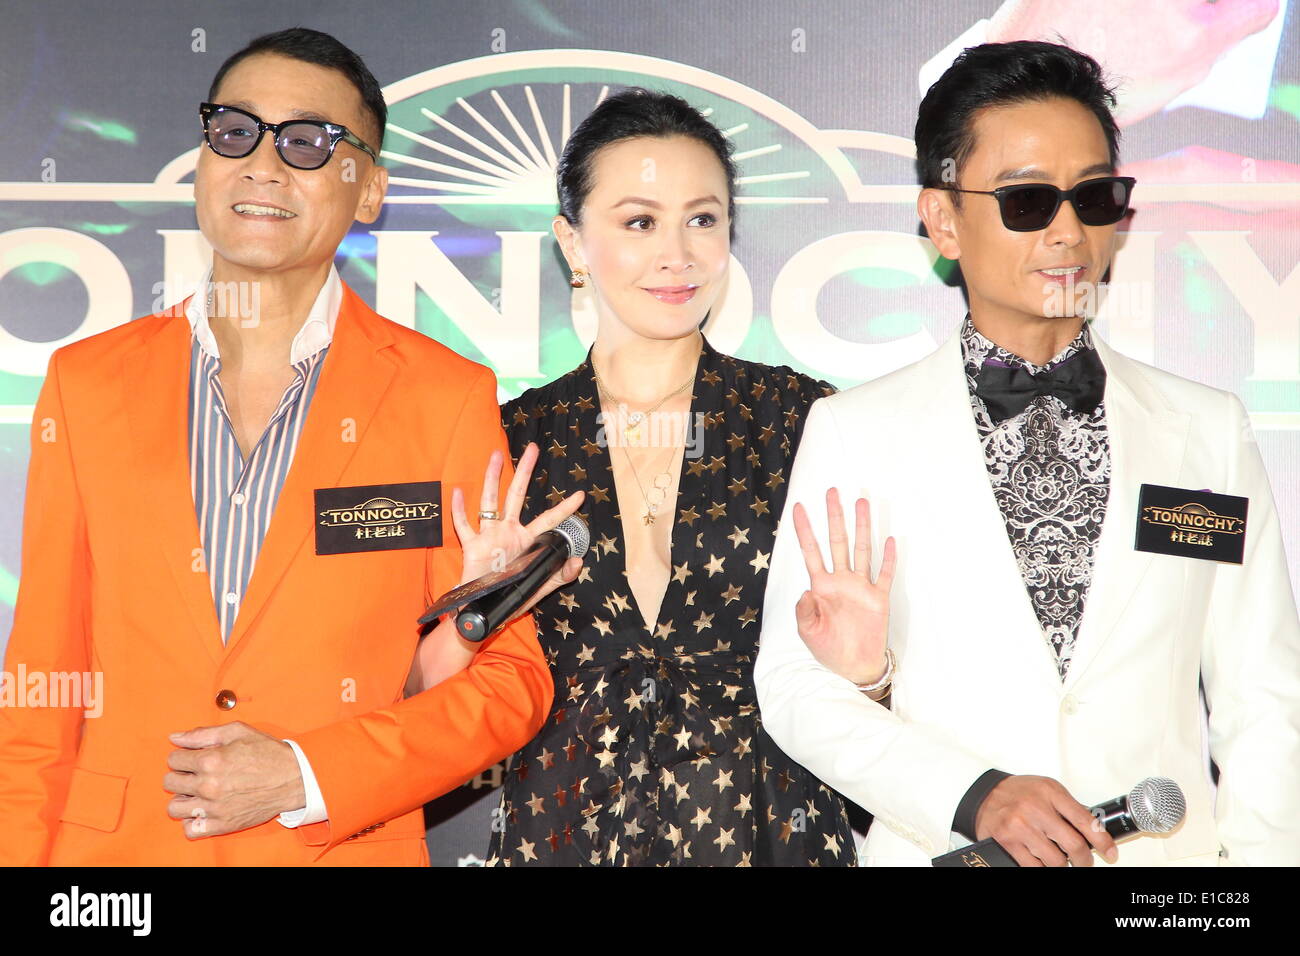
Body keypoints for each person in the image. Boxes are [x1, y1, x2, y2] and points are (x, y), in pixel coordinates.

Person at [0, 27, 581, 866]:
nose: (263, 165)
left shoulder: (442, 396)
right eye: (234, 132)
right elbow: (38, 694)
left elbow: (507, 684)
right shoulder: (86, 384)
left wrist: (306, 773)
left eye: (308, 142)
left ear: (369, 188)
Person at [755, 41, 1300, 867]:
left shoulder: (1205, 432)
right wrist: (972, 795)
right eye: (1027, 200)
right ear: (941, 218)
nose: (1068, 230)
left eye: (1093, 196)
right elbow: (794, 690)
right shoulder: (855, 433)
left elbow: (1264, 701)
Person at [478, 89, 855, 866]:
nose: (676, 253)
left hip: (771, 830)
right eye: (639, 221)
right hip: (562, 832)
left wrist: (871, 670)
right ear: (573, 244)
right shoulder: (513, 440)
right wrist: (474, 599)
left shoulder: (801, 419)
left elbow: (875, 671)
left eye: (703, 219)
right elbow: (438, 684)